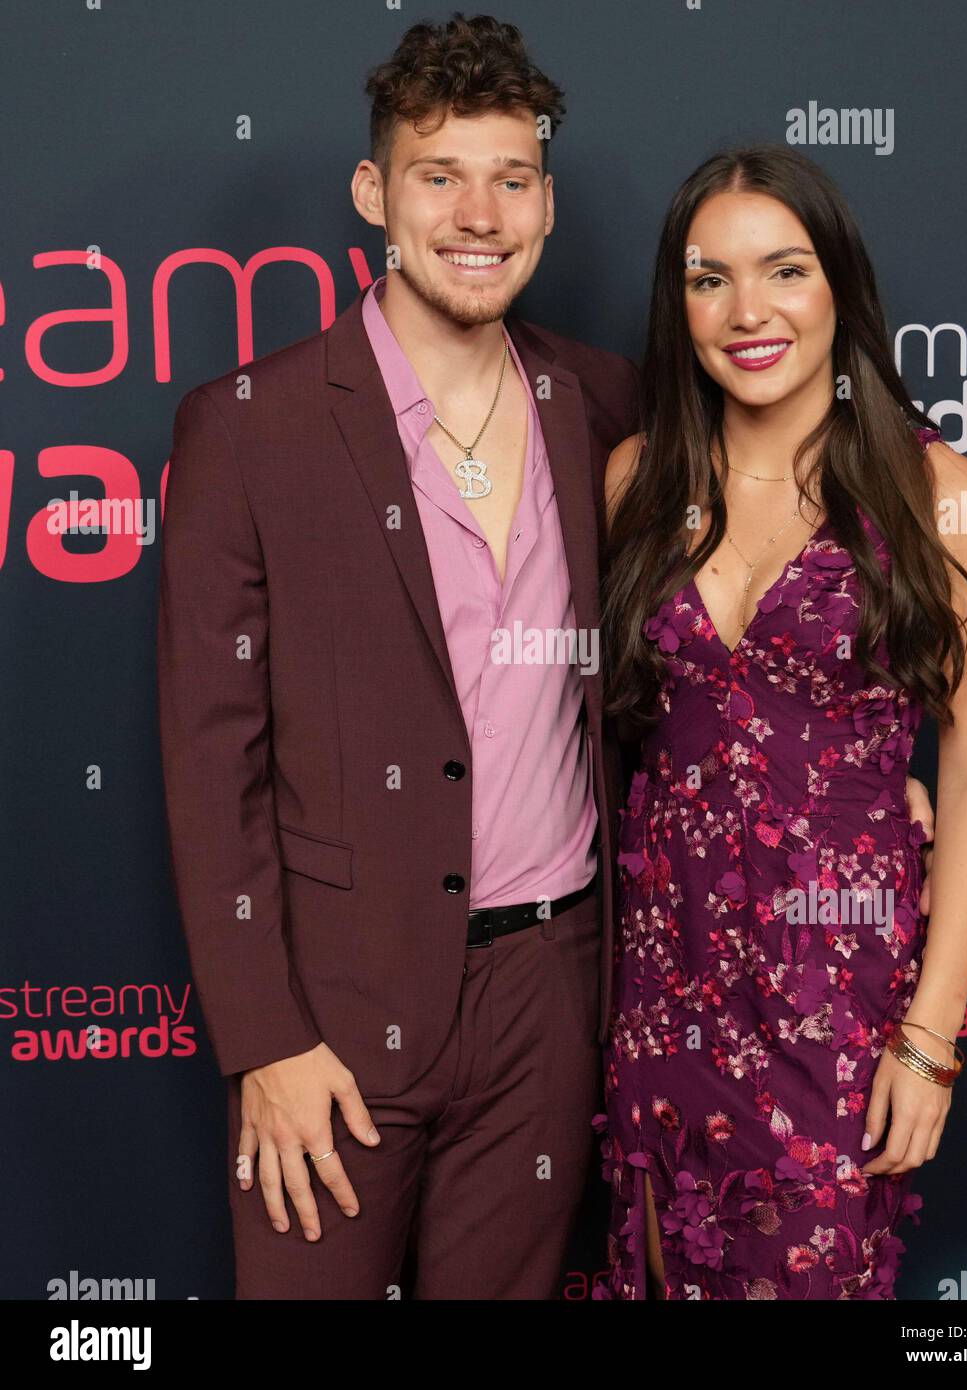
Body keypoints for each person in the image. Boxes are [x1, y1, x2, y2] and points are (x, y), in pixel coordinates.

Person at [156, 14, 640, 1299]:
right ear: (374, 193)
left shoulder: (605, 405)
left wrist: (860, 760)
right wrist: (263, 1039)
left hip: (549, 993)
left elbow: (792, 479)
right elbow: (209, 764)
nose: (478, 215)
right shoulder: (245, 430)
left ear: (546, 206)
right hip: (331, 1002)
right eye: (440, 176)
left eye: (512, 179)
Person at [595, 145, 967, 1300]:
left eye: (783, 269)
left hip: (836, 990)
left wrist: (928, 1036)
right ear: (678, 303)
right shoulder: (635, 481)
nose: (748, 311)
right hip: (664, 987)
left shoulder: (943, 499)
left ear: (838, 284)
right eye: (709, 278)